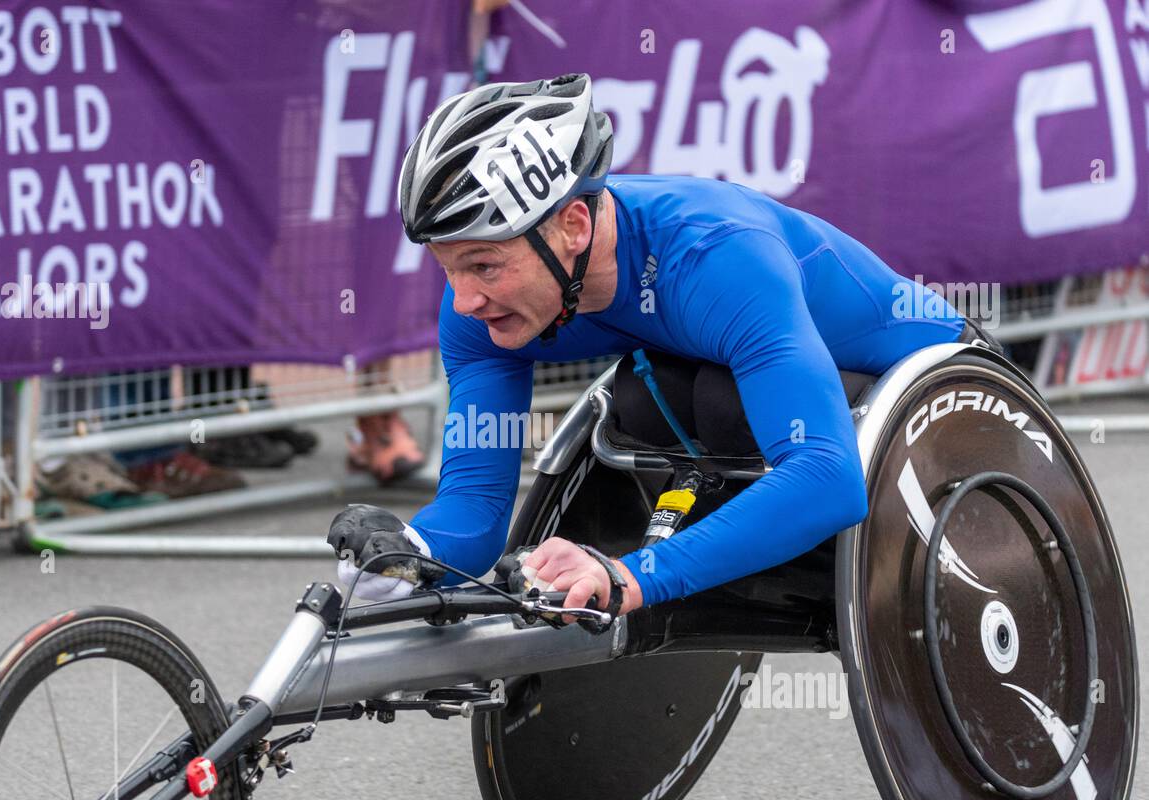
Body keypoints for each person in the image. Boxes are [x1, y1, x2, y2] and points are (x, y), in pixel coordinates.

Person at [327, 73, 980, 623]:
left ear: (573, 226)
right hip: (767, 391)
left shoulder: (716, 258)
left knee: (715, 399)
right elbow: (475, 513)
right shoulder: (482, 313)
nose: (463, 299)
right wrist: (409, 555)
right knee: (654, 395)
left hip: (951, 392)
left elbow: (826, 475)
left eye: (483, 267)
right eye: (448, 268)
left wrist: (629, 576)